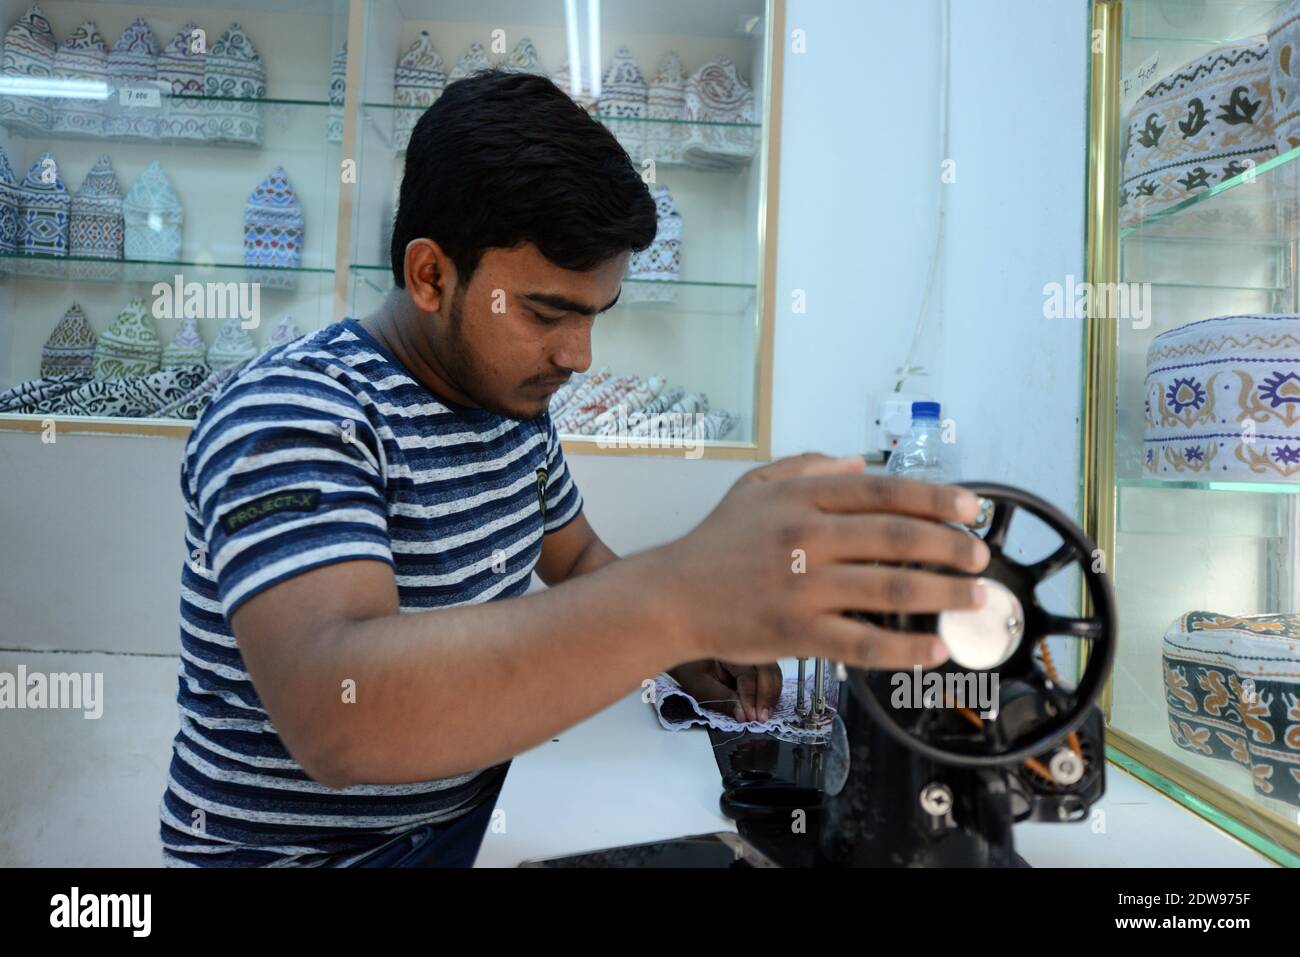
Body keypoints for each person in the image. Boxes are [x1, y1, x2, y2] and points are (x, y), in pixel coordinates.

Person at [158, 70, 989, 867]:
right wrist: (680, 598)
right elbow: (339, 715)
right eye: (547, 312)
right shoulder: (294, 413)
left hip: (477, 816)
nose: (579, 354)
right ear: (430, 274)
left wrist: (684, 649)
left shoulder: (510, 402)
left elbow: (578, 558)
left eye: (595, 315)